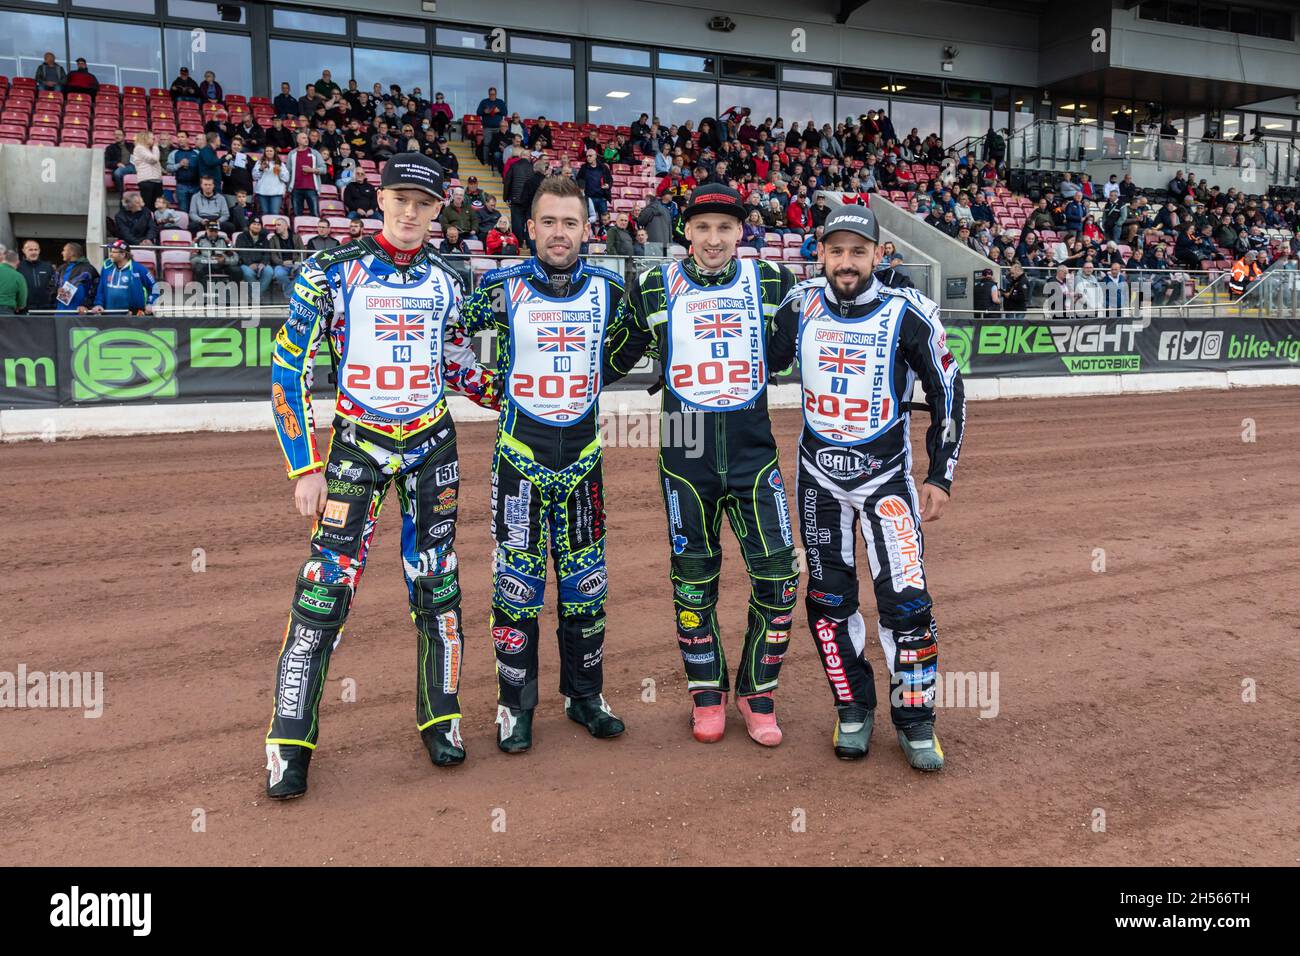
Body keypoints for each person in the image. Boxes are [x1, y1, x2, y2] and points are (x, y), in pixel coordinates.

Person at [264, 154, 500, 799]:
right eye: (399, 198)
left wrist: (519, 399)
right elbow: (287, 371)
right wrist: (304, 466)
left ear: (437, 209)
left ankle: (442, 718)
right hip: (355, 447)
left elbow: (459, 365)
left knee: (438, 582)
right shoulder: (330, 271)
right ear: (380, 200)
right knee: (322, 591)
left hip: (433, 446)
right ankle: (288, 742)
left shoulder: (452, 279)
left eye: (423, 203)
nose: (409, 212)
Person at [604, 184, 800, 746]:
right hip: (683, 444)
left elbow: (791, 350)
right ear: (685, 230)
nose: (714, 239)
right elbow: (612, 357)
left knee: (779, 576)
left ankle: (757, 693)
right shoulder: (650, 285)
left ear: (742, 232)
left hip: (751, 445)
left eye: (726, 228)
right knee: (694, 580)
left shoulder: (773, 282)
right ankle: (707, 692)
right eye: (703, 227)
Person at [780, 206, 964, 769]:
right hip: (818, 481)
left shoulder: (912, 312)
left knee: (907, 605)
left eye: (858, 251)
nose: (846, 262)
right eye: (835, 251)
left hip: (887, 481)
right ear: (820, 255)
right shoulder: (799, 304)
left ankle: (916, 720)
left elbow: (948, 391)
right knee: (829, 602)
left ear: (878, 255)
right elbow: (757, 363)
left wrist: (940, 474)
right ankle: (852, 710)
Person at [457, 176, 628, 752]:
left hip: (583, 460)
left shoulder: (609, 289)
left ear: (587, 229)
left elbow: (627, 351)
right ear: (530, 228)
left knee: (587, 588)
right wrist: (492, 390)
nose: (559, 233)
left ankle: (585, 697)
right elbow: (450, 338)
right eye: (548, 222)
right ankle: (517, 706)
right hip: (519, 461)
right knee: (517, 589)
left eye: (570, 223)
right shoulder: (500, 286)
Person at [83, 239, 157, 314]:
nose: (110, 254)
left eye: (113, 252)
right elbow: (101, 289)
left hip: (133, 317)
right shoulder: (106, 268)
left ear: (123, 254)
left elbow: (155, 288)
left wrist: (150, 303)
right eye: (110, 251)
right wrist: (98, 304)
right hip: (110, 316)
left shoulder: (139, 269)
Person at [191, 219, 240, 285]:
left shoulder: (226, 240)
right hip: (206, 264)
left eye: (216, 231)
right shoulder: (198, 241)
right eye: (211, 231)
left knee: (236, 270)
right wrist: (210, 260)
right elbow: (193, 260)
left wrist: (225, 260)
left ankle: (232, 292)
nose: (214, 233)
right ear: (206, 229)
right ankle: (202, 292)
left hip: (223, 265)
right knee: (198, 269)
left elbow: (235, 258)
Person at [52, 243, 99, 311]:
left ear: (72, 253)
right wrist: (57, 291)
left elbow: (96, 290)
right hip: (60, 313)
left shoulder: (89, 270)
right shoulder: (61, 269)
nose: (62, 253)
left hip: (80, 314)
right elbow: (51, 286)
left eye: (64, 250)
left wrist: (86, 305)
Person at [235, 215, 274, 298]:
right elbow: (241, 253)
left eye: (258, 224)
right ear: (249, 225)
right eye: (254, 224)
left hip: (261, 264)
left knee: (269, 271)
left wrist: (263, 263)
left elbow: (267, 253)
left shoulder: (264, 238)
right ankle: (258, 296)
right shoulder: (241, 237)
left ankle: (255, 295)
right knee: (248, 273)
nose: (256, 226)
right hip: (246, 264)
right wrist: (249, 263)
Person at [267, 217, 304, 298]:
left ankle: (287, 294)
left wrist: (295, 263)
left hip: (295, 264)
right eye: (275, 225)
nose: (276, 227)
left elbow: (302, 253)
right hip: (281, 265)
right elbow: (273, 255)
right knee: (279, 274)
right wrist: (282, 262)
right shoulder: (273, 239)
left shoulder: (296, 237)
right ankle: (290, 295)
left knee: (303, 274)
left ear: (286, 226)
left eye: (279, 225)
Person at [252, 146, 291, 218]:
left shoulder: (280, 163)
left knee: (274, 213)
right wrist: (261, 169)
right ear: (264, 153)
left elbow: (286, 178)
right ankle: (265, 229)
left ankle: (274, 229)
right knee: (264, 213)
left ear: (274, 152)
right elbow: (254, 177)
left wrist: (280, 171)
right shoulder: (259, 162)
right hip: (262, 192)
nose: (269, 152)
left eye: (271, 151)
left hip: (276, 193)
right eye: (267, 151)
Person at [18, 240, 55, 312]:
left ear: (39, 250)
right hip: (25, 309)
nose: (33, 252)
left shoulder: (47, 266)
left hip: (47, 308)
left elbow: (55, 285)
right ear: (23, 251)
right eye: (30, 250)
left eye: (36, 249)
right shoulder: (18, 267)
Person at [131, 131, 164, 211]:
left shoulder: (149, 150)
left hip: (156, 180)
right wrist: (156, 147)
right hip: (147, 180)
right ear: (145, 138)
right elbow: (154, 159)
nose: (154, 140)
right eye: (152, 138)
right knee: (147, 205)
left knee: (156, 206)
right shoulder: (139, 148)